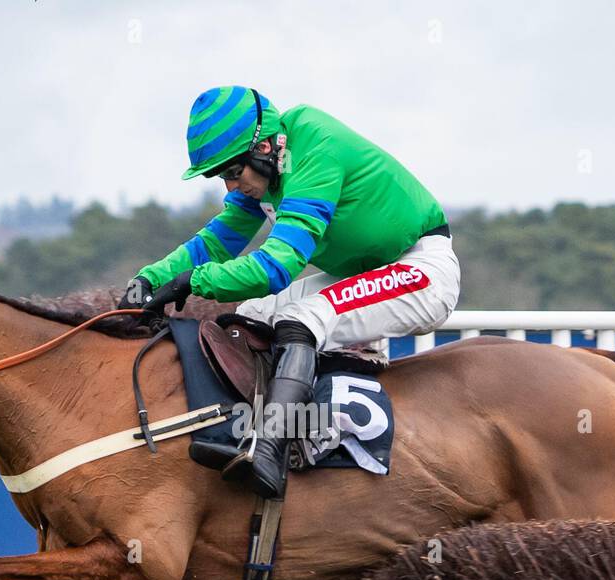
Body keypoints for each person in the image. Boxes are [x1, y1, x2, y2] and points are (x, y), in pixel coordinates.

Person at [120, 86, 459, 498]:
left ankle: (271, 451)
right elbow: (215, 241)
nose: (229, 188)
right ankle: (245, 430)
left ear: (263, 147)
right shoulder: (269, 168)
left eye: (232, 173)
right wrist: (151, 278)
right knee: (250, 316)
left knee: (301, 319)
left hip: (420, 268)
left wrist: (194, 282)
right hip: (367, 272)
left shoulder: (316, 146)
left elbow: (276, 268)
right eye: (221, 177)